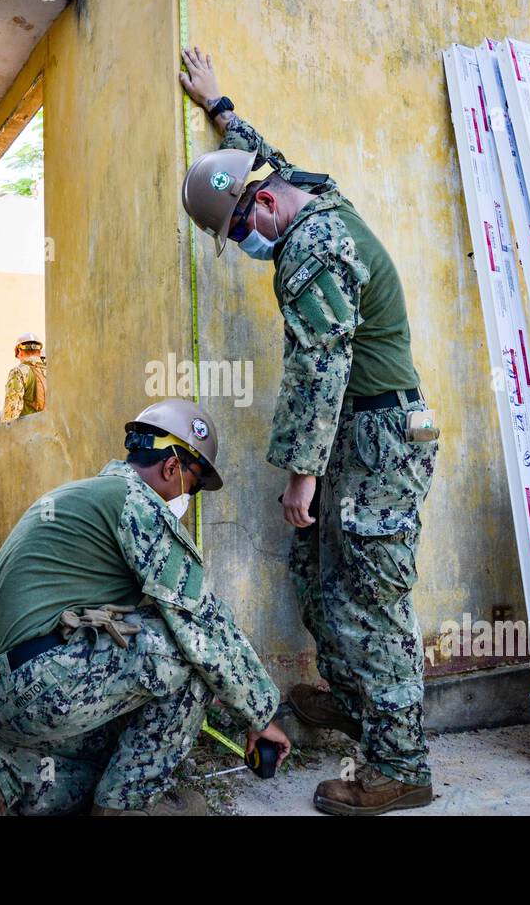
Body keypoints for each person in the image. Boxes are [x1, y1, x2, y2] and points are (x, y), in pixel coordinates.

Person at [178, 46, 439, 815]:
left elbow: (320, 368)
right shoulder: (303, 195)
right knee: (319, 581)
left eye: (240, 232)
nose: (248, 249)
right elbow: (262, 157)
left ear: (260, 208)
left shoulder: (310, 252)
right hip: (358, 436)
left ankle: (400, 765)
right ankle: (358, 702)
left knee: (371, 600)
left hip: (379, 436)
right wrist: (220, 106)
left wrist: (302, 475)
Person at [0, 399, 290, 816]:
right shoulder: (135, 504)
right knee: (191, 656)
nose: (190, 499)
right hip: (34, 687)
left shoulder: (86, 495)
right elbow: (203, 626)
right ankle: (123, 807)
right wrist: (260, 715)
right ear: (172, 468)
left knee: (116, 751)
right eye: (194, 486)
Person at [1, 332, 47, 421]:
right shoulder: (50, 372)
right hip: (47, 429)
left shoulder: (19, 372)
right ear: (39, 352)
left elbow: (11, 411)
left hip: (27, 431)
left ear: (19, 352)